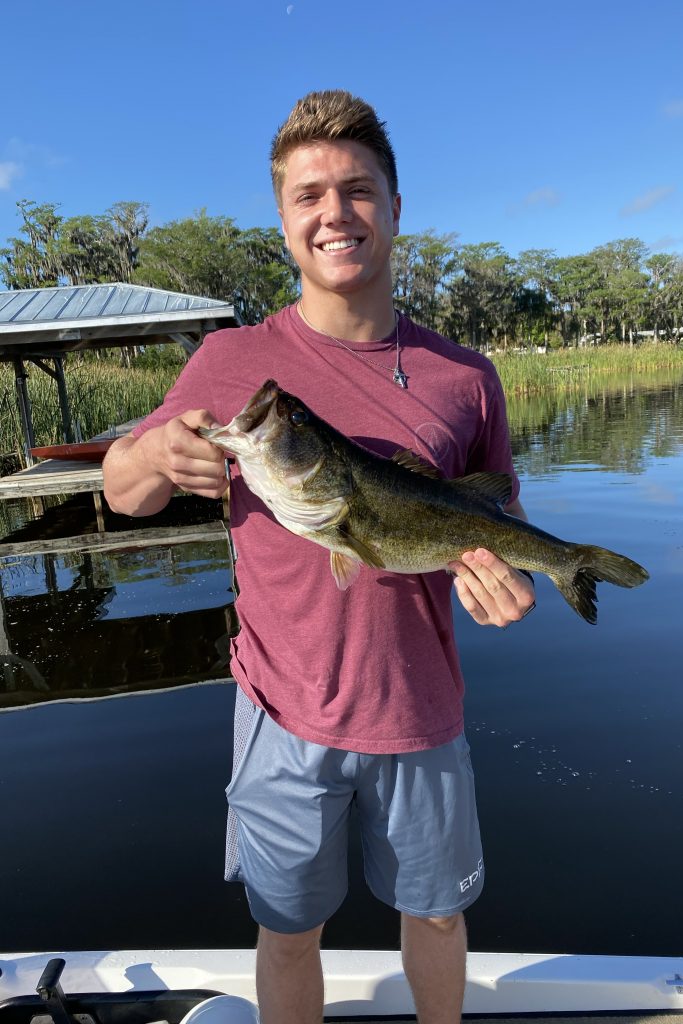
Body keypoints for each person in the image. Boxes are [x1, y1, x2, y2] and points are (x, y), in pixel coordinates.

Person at [102, 89, 535, 1024]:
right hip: (279, 712)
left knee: (439, 917)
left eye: (357, 189)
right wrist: (150, 455)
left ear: (394, 205)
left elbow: (497, 522)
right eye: (308, 196)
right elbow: (119, 492)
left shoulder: (468, 376)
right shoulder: (230, 362)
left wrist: (504, 587)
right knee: (288, 930)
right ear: (284, 221)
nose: (334, 213)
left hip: (423, 710)